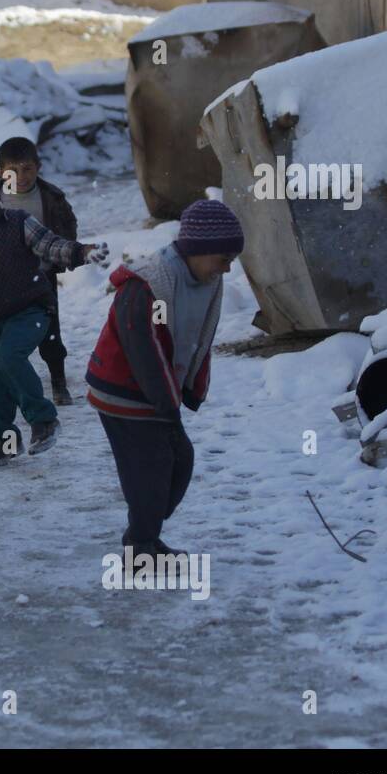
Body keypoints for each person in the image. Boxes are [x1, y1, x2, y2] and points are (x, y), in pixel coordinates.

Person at [84, 198, 244, 560]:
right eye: (224, 260)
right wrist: (168, 406)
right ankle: (140, 545)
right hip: (123, 391)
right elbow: (145, 351)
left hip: (156, 391)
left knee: (177, 462)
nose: (228, 269)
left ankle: (146, 531)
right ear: (199, 250)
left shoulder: (204, 280)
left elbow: (195, 338)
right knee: (151, 471)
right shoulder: (148, 286)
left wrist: (186, 390)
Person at [0, 153, 109, 467]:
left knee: (7, 358)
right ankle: (5, 441)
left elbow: (50, 245)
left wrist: (81, 251)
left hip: (30, 309)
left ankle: (44, 421)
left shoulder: (17, 222)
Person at [0, 136, 80, 404]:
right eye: (13, 170)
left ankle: (58, 384)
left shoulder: (51, 197)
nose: (21, 176)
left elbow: (67, 230)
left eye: (27, 169)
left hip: (42, 278)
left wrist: (67, 256)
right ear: (0, 171)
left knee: (50, 335)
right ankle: (3, 388)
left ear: (38, 167)